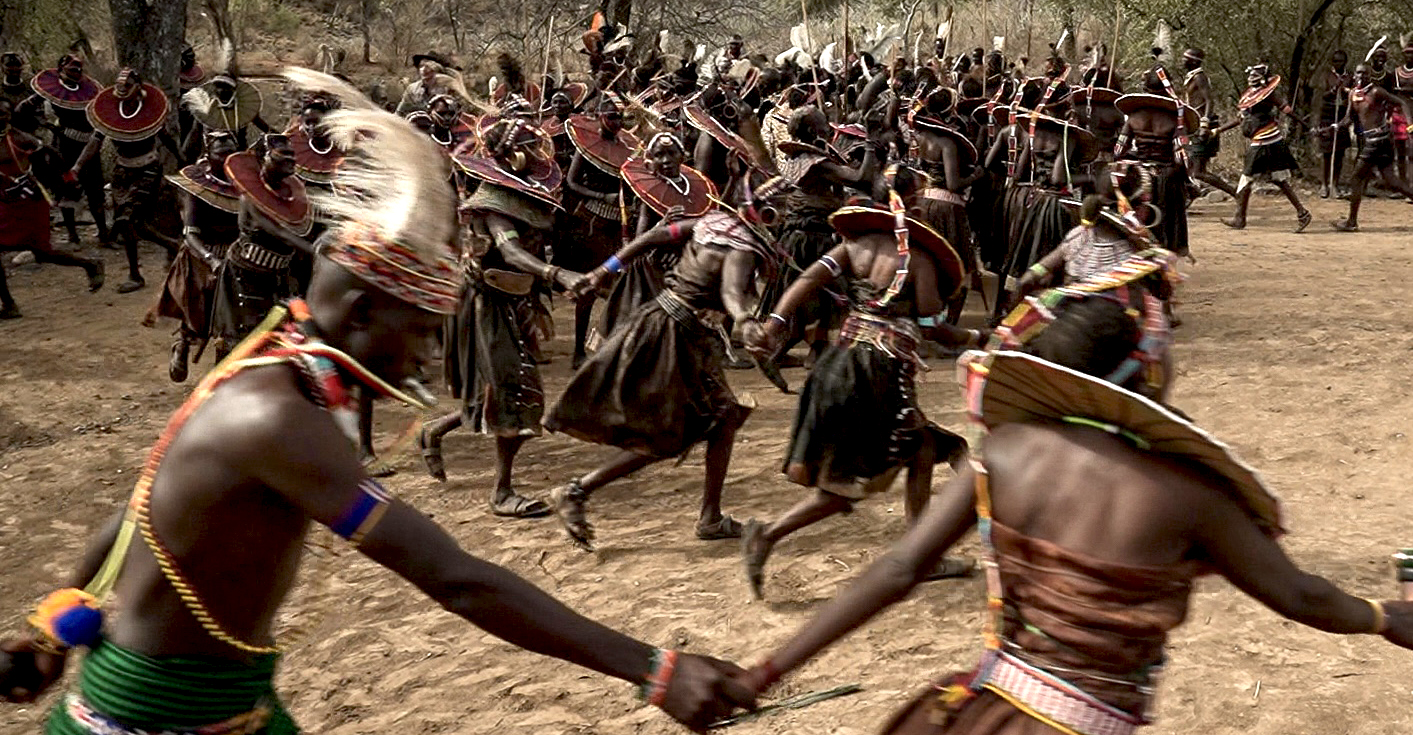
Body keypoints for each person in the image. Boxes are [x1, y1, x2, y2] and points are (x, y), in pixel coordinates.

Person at [0, 73, 755, 731]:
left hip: (225, 705)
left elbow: (135, 509)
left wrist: (50, 626)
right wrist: (654, 669)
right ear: (360, 314)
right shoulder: (275, 417)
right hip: (151, 718)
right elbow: (456, 577)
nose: (426, 355)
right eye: (421, 332)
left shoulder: (273, 371)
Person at [732, 258, 1413, 735]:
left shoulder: (1001, 452)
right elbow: (1302, 596)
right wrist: (1384, 615)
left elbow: (895, 569)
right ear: (1140, 372)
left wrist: (762, 671)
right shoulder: (1190, 494)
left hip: (980, 708)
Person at [741, 182, 974, 601]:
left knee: (921, 449)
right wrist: (980, 333)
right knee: (845, 488)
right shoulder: (917, 261)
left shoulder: (856, 249)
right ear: (915, 207)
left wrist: (775, 323)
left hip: (837, 363)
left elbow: (810, 277)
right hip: (877, 375)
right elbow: (933, 327)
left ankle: (923, 555)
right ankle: (769, 535)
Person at [544, 179, 790, 550]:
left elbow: (654, 237)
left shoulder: (711, 223)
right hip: (675, 335)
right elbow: (731, 291)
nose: (787, 216)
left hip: (664, 322)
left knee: (720, 418)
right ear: (769, 213)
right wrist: (746, 320)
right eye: (784, 210)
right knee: (667, 434)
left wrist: (604, 270)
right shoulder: (742, 246)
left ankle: (710, 516)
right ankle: (578, 491)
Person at [420, 115, 580, 517]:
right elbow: (510, 253)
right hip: (484, 306)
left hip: (512, 301)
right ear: (510, 155)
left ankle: (435, 430)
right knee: (513, 391)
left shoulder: (523, 196)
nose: (537, 155)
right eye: (529, 147)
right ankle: (501, 492)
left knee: (501, 389)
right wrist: (556, 274)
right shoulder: (490, 203)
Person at [70, 68, 182, 293]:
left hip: (147, 169)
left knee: (131, 220)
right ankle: (139, 270)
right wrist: (77, 166)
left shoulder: (151, 110)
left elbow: (165, 137)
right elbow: (95, 141)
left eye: (128, 85)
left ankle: (172, 247)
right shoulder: (109, 111)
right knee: (124, 223)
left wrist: (181, 158)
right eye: (120, 85)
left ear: (138, 86)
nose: (122, 89)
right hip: (121, 172)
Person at [598, 132, 716, 342]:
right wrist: (662, 224)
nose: (666, 161)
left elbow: (709, 215)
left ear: (682, 155)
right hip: (657, 266)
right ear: (651, 160)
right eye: (659, 155)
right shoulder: (652, 192)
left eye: (671, 154)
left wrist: (734, 180)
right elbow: (642, 237)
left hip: (687, 259)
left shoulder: (696, 186)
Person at [144, 130, 242, 382]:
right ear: (208, 156)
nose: (228, 157)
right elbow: (191, 235)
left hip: (239, 250)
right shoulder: (198, 189)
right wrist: (211, 259)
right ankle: (183, 342)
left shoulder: (246, 183)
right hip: (204, 251)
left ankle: (226, 360)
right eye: (221, 153)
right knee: (203, 298)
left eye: (232, 152)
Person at [210, 133, 313, 359]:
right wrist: (316, 251)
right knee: (239, 343)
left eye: (292, 155)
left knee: (280, 337)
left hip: (278, 276)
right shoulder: (251, 197)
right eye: (283, 155)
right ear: (263, 158)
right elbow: (279, 233)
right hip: (245, 276)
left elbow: (300, 228)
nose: (292, 160)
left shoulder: (291, 194)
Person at [0, 97, 104, 318]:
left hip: (28, 204)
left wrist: (66, 180)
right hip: (5, 203)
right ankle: (8, 304)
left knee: (43, 253)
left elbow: (52, 154)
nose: (0, 117)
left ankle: (90, 265)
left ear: (10, 117)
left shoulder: (20, 139)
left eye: (3, 113)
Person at [560, 98, 640, 367]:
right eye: (611, 117)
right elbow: (571, 182)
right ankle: (578, 351)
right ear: (599, 117)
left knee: (624, 284)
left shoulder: (626, 148)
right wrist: (600, 195)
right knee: (589, 287)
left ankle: (615, 345)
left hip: (622, 221)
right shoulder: (586, 148)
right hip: (592, 221)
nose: (616, 122)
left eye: (619, 117)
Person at [1215, 63, 1310, 231]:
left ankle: (1240, 219)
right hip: (1268, 140)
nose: (1252, 78)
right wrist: (1218, 130)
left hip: (1265, 140)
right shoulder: (1249, 96)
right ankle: (1302, 213)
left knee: (1246, 178)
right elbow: (1241, 119)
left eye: (1255, 75)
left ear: (1264, 79)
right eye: (1250, 75)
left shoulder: (1270, 95)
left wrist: (1307, 126)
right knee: (1278, 179)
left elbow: (1287, 110)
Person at [30, 54, 108, 247]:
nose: (77, 72)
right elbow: (30, 111)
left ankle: (104, 235)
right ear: (61, 70)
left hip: (89, 147)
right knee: (66, 187)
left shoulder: (90, 92)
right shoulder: (51, 94)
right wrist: (49, 125)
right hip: (63, 148)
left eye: (79, 69)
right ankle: (73, 235)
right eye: (72, 69)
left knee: (95, 189)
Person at [1113, 78, 1195, 258]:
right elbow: (1182, 158)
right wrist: (1188, 180)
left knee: (1140, 221)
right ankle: (1169, 258)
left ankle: (1143, 256)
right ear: (1166, 91)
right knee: (1169, 222)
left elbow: (1118, 151)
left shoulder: (1134, 117)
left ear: (1145, 89)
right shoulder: (1174, 120)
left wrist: (1137, 159)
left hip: (1140, 176)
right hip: (1167, 176)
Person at [1331, 63, 1413, 232]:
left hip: (1378, 141)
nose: (1361, 76)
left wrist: (1410, 126)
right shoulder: (1354, 94)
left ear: (1370, 76)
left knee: (1356, 178)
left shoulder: (1376, 92)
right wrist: (1333, 128)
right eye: (1358, 73)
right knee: (1393, 182)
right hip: (1376, 141)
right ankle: (1351, 222)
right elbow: (1348, 119)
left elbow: (1402, 104)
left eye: (1364, 74)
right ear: (1354, 75)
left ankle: (1351, 222)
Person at [1180, 47, 1237, 198]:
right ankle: (1186, 198)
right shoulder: (1192, 76)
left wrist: (1204, 124)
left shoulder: (1199, 77)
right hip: (1195, 125)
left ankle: (1237, 194)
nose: (1182, 60)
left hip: (1202, 126)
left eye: (1185, 58)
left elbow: (1209, 101)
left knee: (1198, 172)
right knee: (1190, 168)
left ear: (1193, 61)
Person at [1316, 50, 1353, 199]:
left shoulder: (1350, 76)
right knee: (1327, 152)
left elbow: (1353, 93)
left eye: (1342, 61)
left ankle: (1335, 185)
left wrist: (1346, 92)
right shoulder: (1326, 76)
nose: (1339, 64)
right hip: (1327, 114)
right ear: (1332, 62)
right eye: (1336, 61)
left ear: (1345, 62)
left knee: (1339, 152)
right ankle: (1324, 184)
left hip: (1342, 114)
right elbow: (1321, 96)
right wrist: (1334, 89)